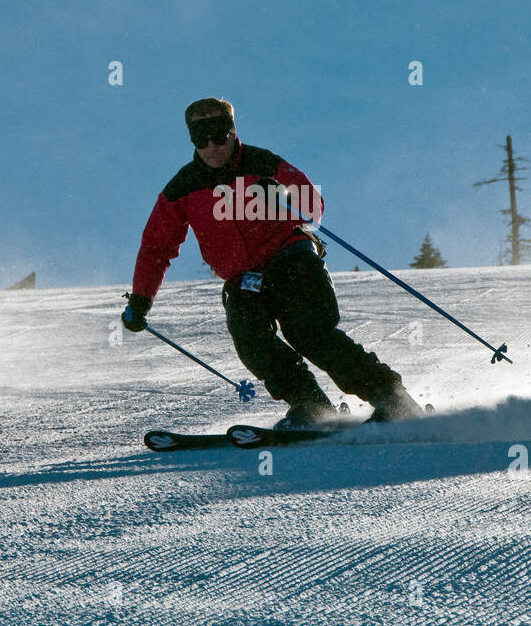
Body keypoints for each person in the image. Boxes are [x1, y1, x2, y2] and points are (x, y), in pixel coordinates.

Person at [122, 97, 422, 428]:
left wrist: (282, 198)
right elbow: (156, 247)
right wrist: (141, 298)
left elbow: (313, 205)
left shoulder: (262, 163)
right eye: (200, 139)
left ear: (233, 132)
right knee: (252, 340)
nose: (211, 147)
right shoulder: (182, 187)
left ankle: (391, 399)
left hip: (290, 258)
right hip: (244, 279)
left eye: (218, 136)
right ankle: (311, 407)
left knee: (309, 333)